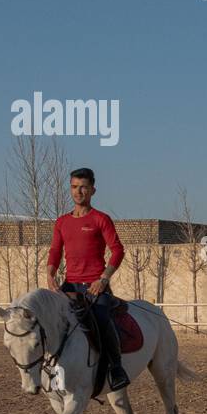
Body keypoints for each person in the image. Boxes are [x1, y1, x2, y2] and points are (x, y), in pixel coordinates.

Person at [46, 167, 129, 391]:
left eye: (83, 187)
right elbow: (55, 251)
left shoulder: (101, 219)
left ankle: (116, 369)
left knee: (102, 320)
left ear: (93, 190)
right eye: (74, 187)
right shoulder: (62, 222)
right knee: (51, 322)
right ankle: (53, 370)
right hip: (69, 286)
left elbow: (118, 250)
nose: (78, 191)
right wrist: (50, 273)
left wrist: (103, 279)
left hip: (95, 287)